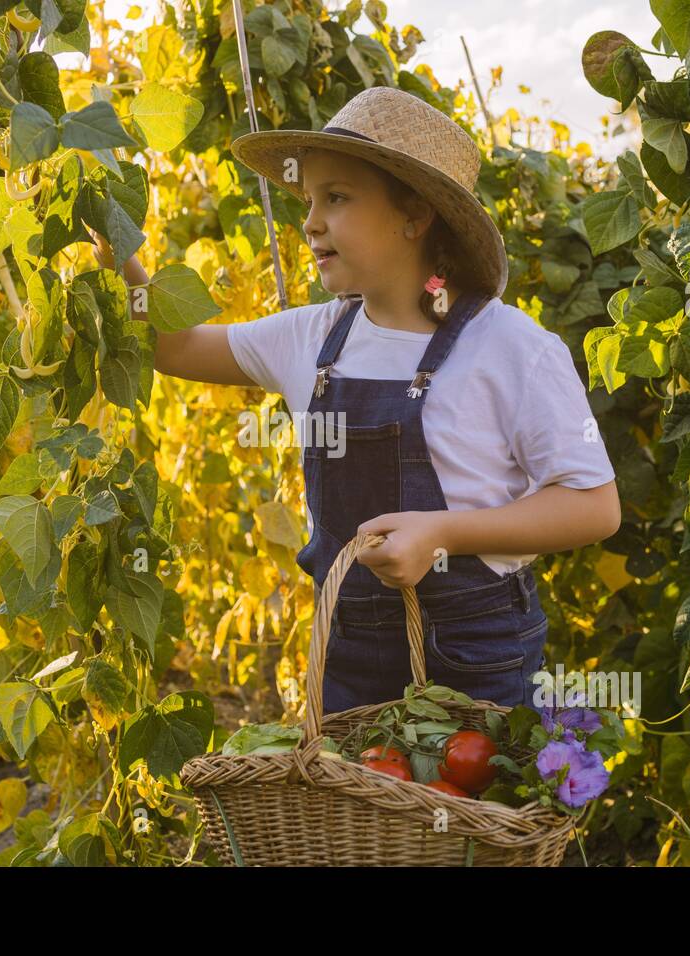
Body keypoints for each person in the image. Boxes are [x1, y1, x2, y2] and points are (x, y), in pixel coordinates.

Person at [93, 86, 620, 714]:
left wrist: (443, 533)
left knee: (463, 811)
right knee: (358, 812)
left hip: (476, 654)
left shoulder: (508, 346)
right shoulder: (312, 337)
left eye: (337, 198)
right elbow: (173, 348)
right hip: (347, 652)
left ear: (415, 215)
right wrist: (115, 248)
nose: (310, 221)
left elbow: (594, 505)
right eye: (310, 200)